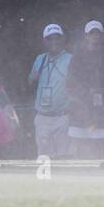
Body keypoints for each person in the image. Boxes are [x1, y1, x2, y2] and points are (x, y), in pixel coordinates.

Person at [66, 21, 104, 157]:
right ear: (86, 36)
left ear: (103, 36)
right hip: (79, 113)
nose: (95, 36)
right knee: (79, 151)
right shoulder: (77, 58)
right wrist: (87, 92)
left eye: (98, 33)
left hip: (102, 114)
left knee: (100, 151)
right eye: (91, 33)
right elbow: (69, 85)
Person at [29, 24, 73, 157]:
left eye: (57, 38)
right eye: (50, 39)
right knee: (43, 157)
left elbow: (78, 85)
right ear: (44, 41)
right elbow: (30, 83)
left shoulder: (71, 59)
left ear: (63, 39)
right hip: (42, 116)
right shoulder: (40, 59)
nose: (54, 42)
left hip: (62, 116)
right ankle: (45, 178)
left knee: (62, 156)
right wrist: (33, 77)